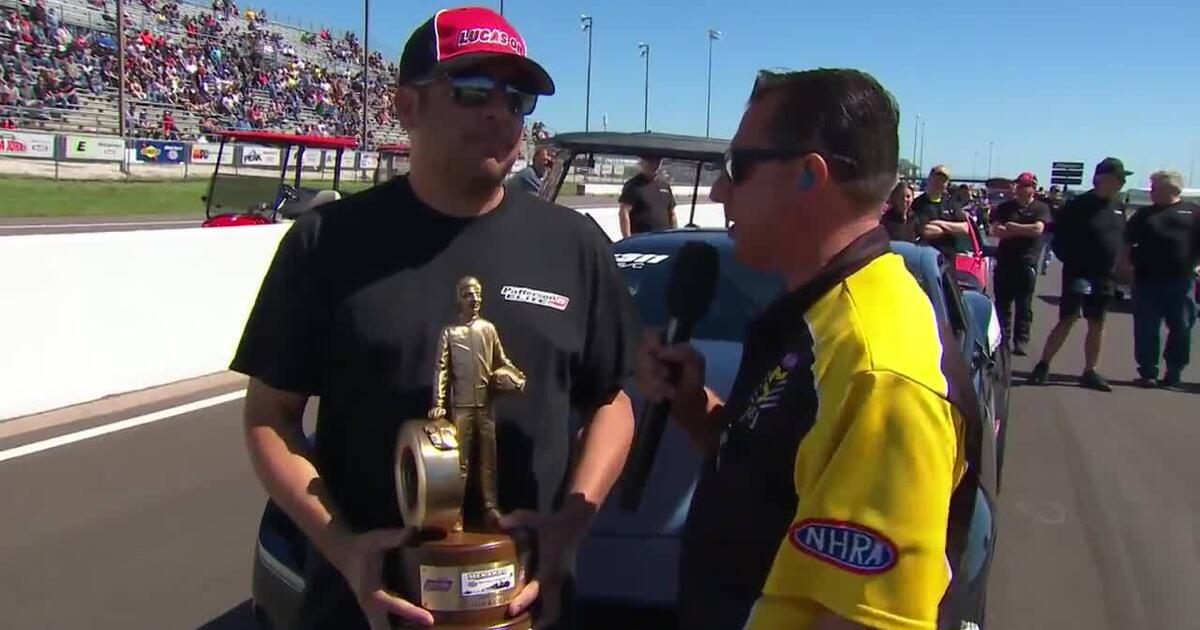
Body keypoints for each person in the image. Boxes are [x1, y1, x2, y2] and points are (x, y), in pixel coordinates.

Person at [231, 7, 638, 630]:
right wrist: (341, 546)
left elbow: (611, 402)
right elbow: (269, 416)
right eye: (472, 89)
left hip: (527, 607)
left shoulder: (575, 245)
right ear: (406, 107)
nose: (500, 112)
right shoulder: (328, 242)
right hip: (363, 610)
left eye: (517, 96)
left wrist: (569, 530)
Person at [637, 68, 977, 630]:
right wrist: (695, 406)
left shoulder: (879, 372)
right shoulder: (820, 315)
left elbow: (866, 620)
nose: (720, 190)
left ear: (807, 176)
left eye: (737, 167)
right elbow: (774, 484)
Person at [1028, 157, 1131, 391]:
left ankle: (1090, 370)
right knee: (1069, 318)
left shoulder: (1118, 206)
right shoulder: (1078, 205)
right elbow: (1058, 238)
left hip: (1105, 276)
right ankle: (1043, 365)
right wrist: (1073, 260)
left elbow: (1121, 237)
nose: (1121, 183)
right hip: (1080, 272)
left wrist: (1121, 265)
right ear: (1102, 179)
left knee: (1097, 322)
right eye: (1118, 178)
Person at [1122, 170, 1199, 388]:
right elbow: (1127, 243)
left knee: (1181, 327)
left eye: (1155, 187)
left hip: (1182, 280)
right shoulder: (1144, 216)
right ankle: (1148, 371)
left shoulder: (1193, 213)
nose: (1152, 192)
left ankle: (1174, 371)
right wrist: (1126, 266)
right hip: (1147, 279)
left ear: (1171, 189)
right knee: (1146, 327)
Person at [989, 172, 1051, 355]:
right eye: (1020, 185)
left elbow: (1037, 229)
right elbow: (995, 230)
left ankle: (1021, 340)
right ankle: (1002, 339)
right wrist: (1021, 230)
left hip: (1026, 262)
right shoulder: (1005, 208)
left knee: (1024, 305)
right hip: (1005, 261)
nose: (1023, 189)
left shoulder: (1041, 208)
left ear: (1033, 188)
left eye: (1027, 185)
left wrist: (1012, 227)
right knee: (1002, 303)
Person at [913, 164, 971, 256]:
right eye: (937, 178)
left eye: (943, 180)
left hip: (950, 255)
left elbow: (966, 228)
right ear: (929, 179)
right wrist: (952, 229)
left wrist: (939, 224)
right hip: (927, 255)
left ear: (947, 183)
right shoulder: (918, 203)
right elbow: (926, 231)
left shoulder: (951, 203)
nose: (939, 183)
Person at [618, 155, 677, 237]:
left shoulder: (665, 186)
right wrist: (627, 238)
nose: (655, 166)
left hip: (664, 238)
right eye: (650, 162)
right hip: (642, 239)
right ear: (642, 163)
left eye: (657, 162)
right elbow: (624, 212)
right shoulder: (633, 186)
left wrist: (674, 235)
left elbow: (672, 214)